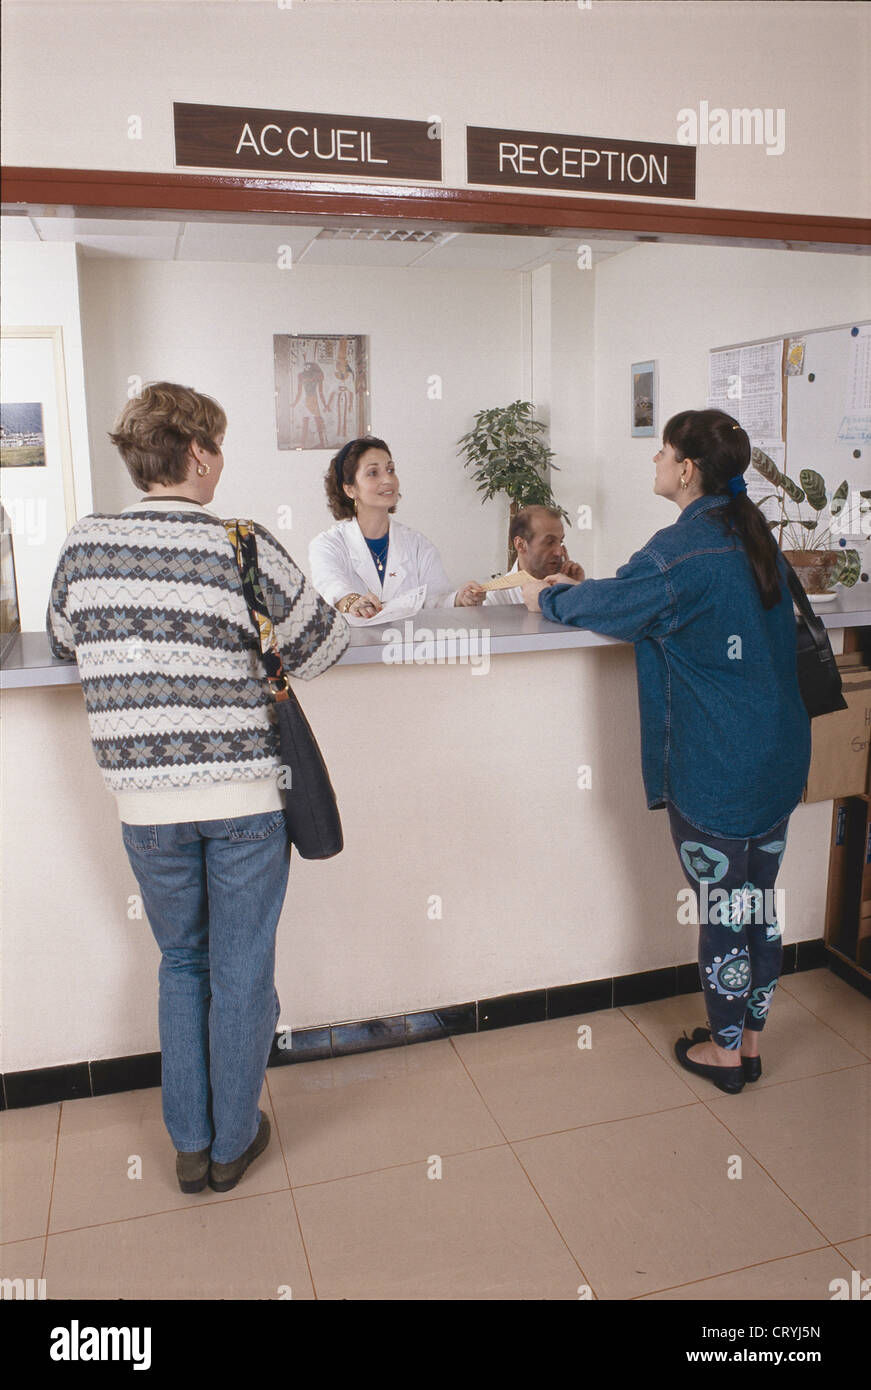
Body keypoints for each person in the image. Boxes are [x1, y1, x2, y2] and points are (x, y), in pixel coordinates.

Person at [46, 382, 350, 1192]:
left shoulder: (84, 544)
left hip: (144, 805)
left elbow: (64, 640)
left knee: (182, 961)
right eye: (218, 446)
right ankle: (232, 1143)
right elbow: (326, 647)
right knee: (242, 968)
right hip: (246, 799)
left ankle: (189, 1143)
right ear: (199, 454)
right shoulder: (240, 544)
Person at [522, 409, 811, 1094]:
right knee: (757, 907)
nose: (653, 463)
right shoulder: (751, 533)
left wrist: (545, 598)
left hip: (718, 768)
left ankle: (723, 1053)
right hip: (777, 757)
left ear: (685, 470)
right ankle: (753, 1045)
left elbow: (611, 605)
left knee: (721, 913)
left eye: (661, 453)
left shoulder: (680, 551)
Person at [309, 436, 485, 618]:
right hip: (354, 645)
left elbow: (436, 600)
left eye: (390, 470)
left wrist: (459, 599)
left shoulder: (417, 544)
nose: (388, 479)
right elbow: (332, 586)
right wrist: (352, 601)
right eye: (373, 473)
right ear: (350, 489)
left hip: (410, 643)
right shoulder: (327, 544)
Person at [484, 505, 585, 605]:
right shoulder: (496, 600)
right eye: (549, 542)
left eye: (560, 541)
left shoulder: (567, 584)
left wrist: (577, 591)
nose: (559, 552)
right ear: (520, 545)